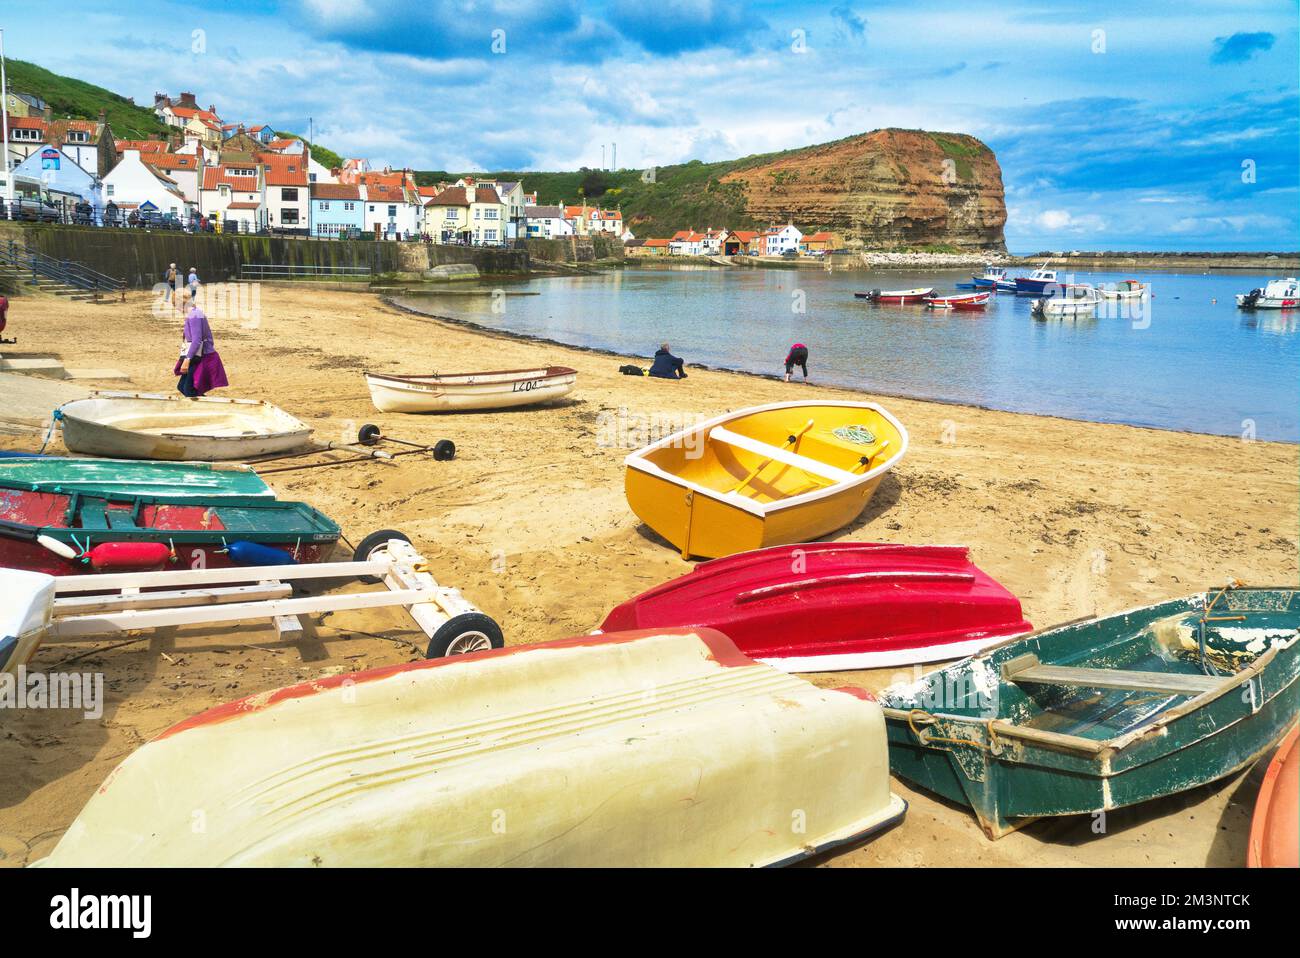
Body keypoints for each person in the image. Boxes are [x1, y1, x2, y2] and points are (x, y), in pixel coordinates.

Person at [175, 304, 229, 397]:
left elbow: (196, 340)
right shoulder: (194, 313)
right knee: (182, 387)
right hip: (198, 355)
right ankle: (204, 407)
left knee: (188, 390)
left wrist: (187, 359)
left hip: (200, 356)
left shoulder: (194, 315)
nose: (175, 307)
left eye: (175, 304)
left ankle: (207, 409)